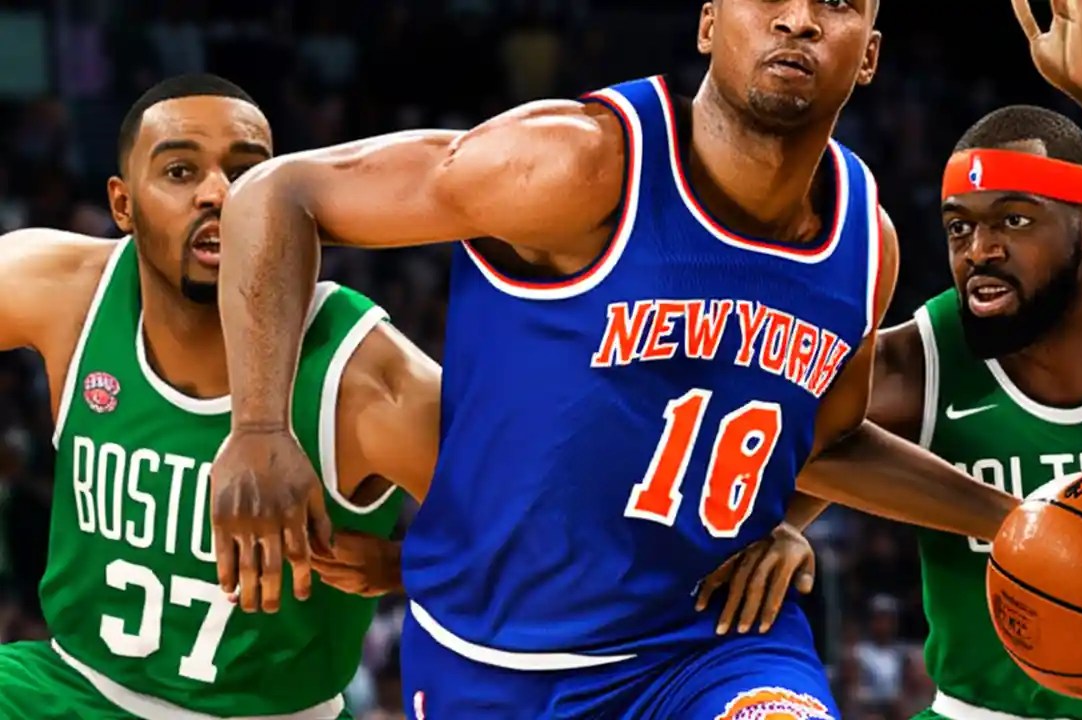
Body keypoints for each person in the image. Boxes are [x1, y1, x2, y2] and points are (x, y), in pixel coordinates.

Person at [211, 0, 1023, 717]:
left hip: (713, 647)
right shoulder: (579, 165)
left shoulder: (864, 244)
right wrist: (258, 427)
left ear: (869, 55)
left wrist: (1010, 522)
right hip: (496, 660)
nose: (799, 18)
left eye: (837, 3)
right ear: (708, 23)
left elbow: (826, 443)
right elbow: (279, 194)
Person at [709, 0, 1082, 717]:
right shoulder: (925, 358)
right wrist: (785, 519)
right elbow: (793, 430)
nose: (979, 250)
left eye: (1014, 220)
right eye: (959, 227)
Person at [0, 74, 439, 719]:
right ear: (123, 205)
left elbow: (550, 531)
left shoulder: (361, 372)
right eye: (180, 171)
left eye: (247, 173)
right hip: (73, 687)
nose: (218, 193)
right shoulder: (62, 290)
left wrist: (411, 566)